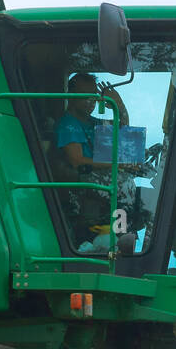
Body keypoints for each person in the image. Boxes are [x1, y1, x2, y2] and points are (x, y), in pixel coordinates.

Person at [53, 73, 142, 251]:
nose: (91, 100)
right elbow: (77, 160)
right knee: (124, 184)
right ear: (71, 94)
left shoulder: (93, 122)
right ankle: (122, 236)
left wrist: (119, 104)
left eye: (94, 95)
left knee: (153, 195)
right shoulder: (68, 124)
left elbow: (123, 131)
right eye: (85, 95)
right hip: (81, 179)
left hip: (102, 177)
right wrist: (118, 165)